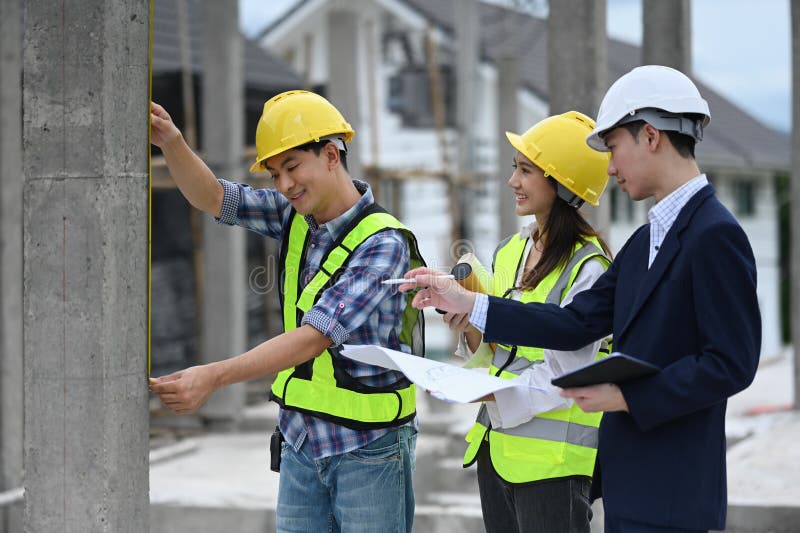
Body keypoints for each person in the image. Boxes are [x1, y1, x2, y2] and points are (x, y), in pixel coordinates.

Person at [403, 65, 761, 533]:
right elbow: (573, 323)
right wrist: (469, 303)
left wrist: (628, 396)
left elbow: (730, 364)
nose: (609, 168)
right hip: (631, 482)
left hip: (674, 488)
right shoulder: (645, 240)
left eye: (613, 148)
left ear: (650, 136)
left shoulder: (715, 236)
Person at [149, 90, 426, 533]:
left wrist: (215, 376)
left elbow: (315, 336)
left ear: (332, 154)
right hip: (300, 442)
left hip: (369, 450)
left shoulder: (384, 243)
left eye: (293, 167)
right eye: (275, 173)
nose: (283, 185)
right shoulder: (294, 215)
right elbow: (214, 198)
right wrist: (172, 143)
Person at [441, 111, 613, 533]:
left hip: (553, 466)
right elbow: (498, 349)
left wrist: (492, 397)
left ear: (561, 182)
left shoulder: (589, 268)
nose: (512, 182)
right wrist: (469, 325)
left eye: (525, 170)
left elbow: (568, 374)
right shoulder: (508, 251)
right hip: (496, 450)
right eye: (514, 169)